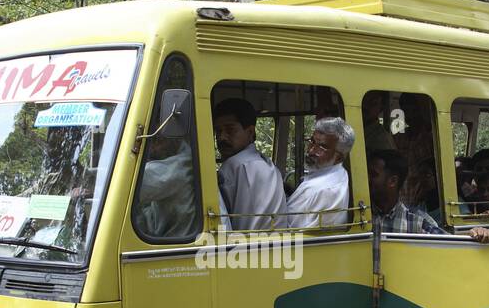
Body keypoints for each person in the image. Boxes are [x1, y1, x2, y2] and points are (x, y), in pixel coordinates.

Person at [368, 149, 489, 241]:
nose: (367, 179)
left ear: (393, 181)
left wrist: (477, 233)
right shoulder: (358, 216)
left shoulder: (416, 220)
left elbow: (452, 244)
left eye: (373, 175)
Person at [213, 97, 286, 230]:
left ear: (250, 132)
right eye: (218, 131)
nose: (222, 137)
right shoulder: (269, 165)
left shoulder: (234, 166)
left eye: (230, 130)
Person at [284, 117, 353, 228]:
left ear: (338, 157)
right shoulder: (335, 173)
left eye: (322, 147)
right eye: (312, 141)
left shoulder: (326, 190)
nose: (311, 150)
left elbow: (298, 236)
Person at [134, 130, 199, 238]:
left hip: (178, 243)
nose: (152, 149)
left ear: (175, 138)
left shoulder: (180, 166)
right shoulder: (182, 154)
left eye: (157, 140)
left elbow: (122, 190)